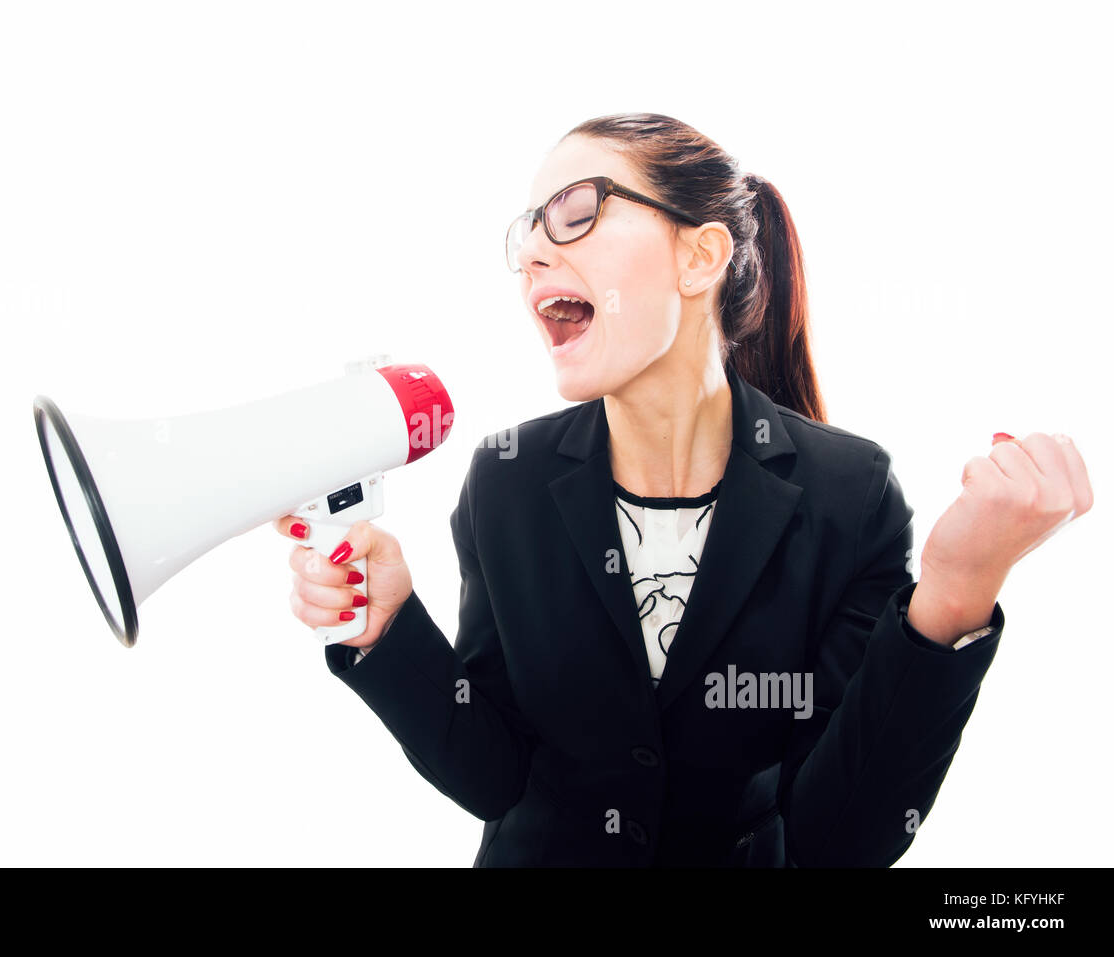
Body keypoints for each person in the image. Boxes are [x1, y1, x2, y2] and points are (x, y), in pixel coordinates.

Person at [274, 113, 1093, 867]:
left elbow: (840, 839)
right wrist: (388, 629)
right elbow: (493, 774)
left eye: (574, 211)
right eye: (525, 232)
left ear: (700, 256)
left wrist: (955, 594)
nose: (530, 252)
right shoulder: (508, 480)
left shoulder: (851, 493)